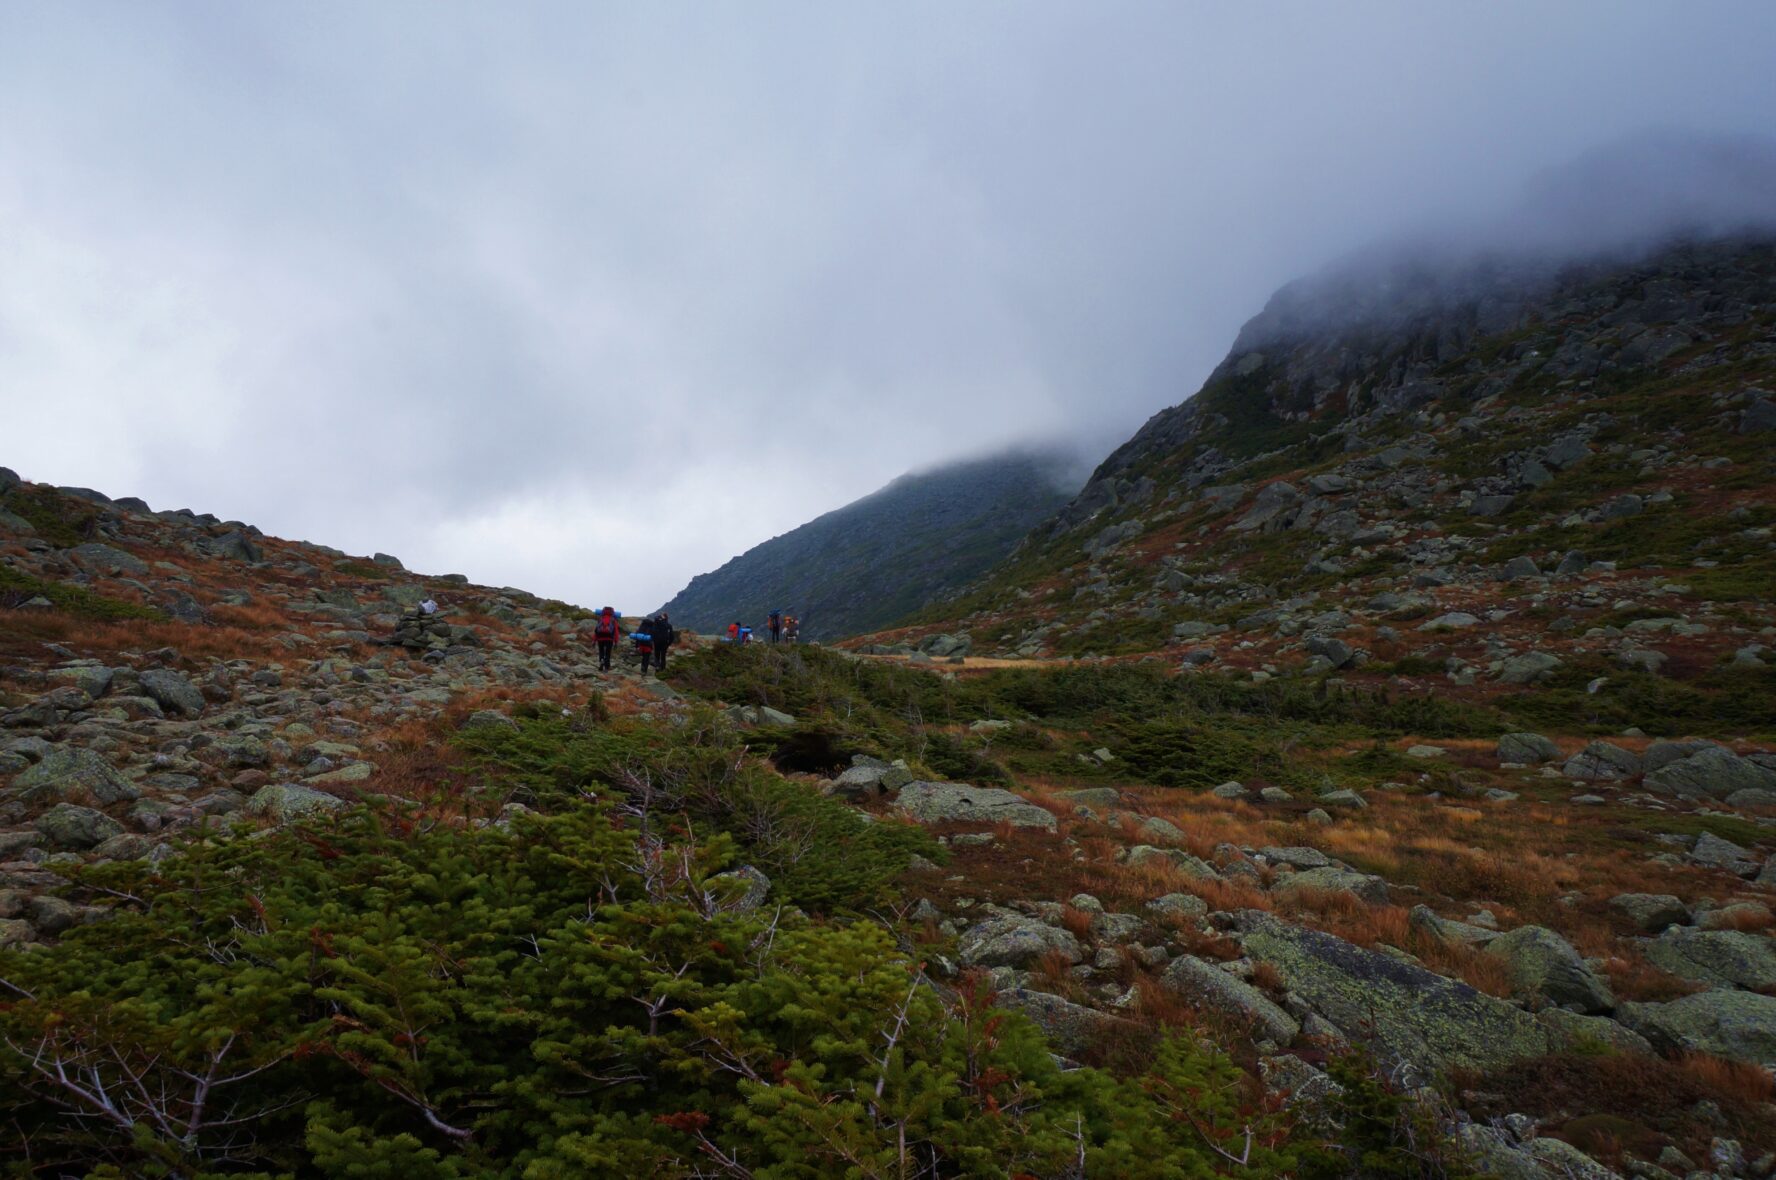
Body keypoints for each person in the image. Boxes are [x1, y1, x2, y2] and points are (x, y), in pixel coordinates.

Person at [593, 606, 620, 672]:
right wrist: (616, 642)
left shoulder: (600, 619)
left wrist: (594, 640)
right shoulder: (613, 620)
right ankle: (606, 667)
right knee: (608, 653)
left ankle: (601, 660)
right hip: (609, 639)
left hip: (600, 638)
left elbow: (596, 630)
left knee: (601, 651)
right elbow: (616, 631)